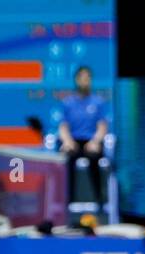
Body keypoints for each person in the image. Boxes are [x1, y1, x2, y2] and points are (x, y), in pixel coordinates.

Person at [57, 65, 108, 208]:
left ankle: (99, 201)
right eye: (83, 78)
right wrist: (67, 141)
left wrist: (95, 141)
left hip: (91, 141)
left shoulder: (98, 102)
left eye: (88, 78)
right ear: (77, 80)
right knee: (67, 158)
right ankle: (67, 200)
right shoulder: (68, 103)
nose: (86, 81)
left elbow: (102, 126)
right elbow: (63, 126)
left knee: (94, 157)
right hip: (74, 141)